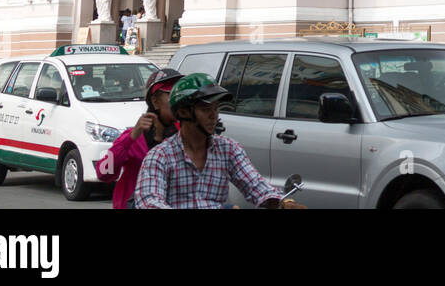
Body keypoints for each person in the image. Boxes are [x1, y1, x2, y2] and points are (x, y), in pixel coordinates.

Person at [134, 73, 305, 209]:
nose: (213, 115)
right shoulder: (159, 156)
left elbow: (255, 185)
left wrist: (283, 203)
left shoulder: (228, 149)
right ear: (184, 112)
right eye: (205, 109)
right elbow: (149, 201)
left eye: (216, 109)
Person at [95, 67, 181, 208]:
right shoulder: (133, 137)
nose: (178, 101)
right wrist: (130, 138)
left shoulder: (185, 135)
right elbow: (103, 172)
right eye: (171, 95)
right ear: (155, 101)